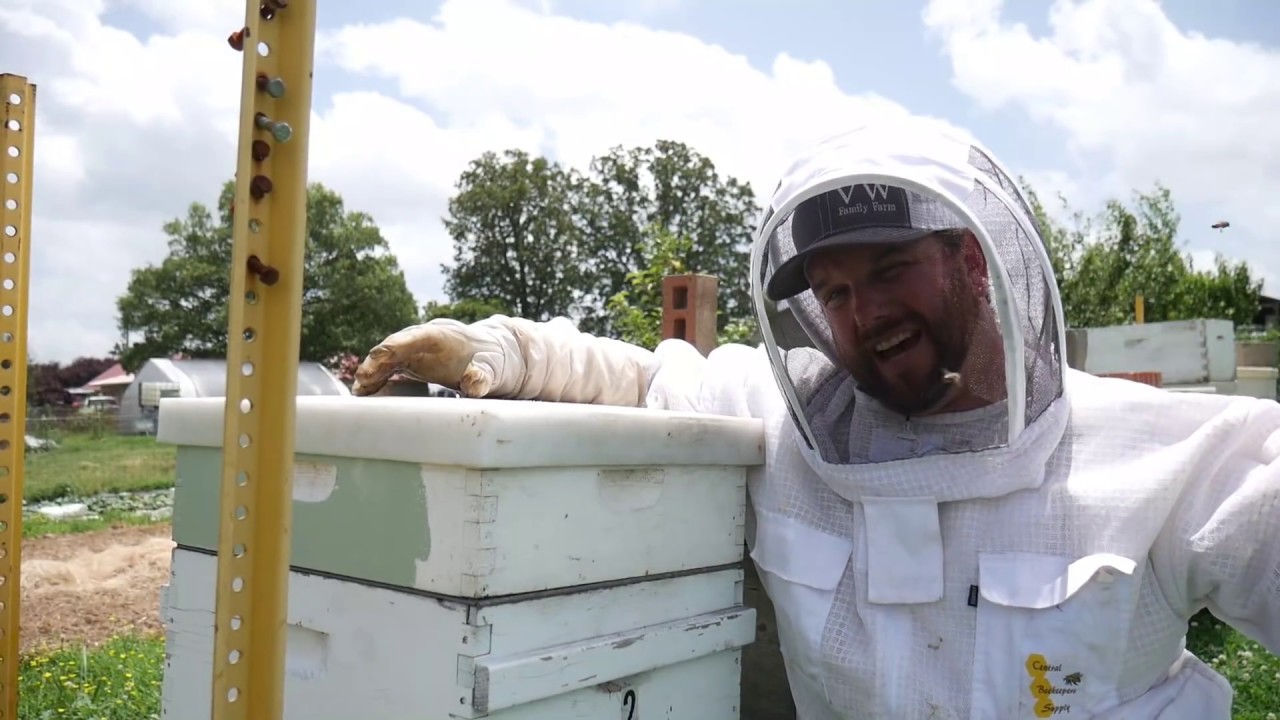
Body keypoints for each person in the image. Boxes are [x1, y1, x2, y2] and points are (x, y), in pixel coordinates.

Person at [350, 119, 1280, 719]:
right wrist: (496, 348)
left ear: (971, 257)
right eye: (834, 293)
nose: (863, 315)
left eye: (888, 272)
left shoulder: (1175, 455)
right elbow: (640, 379)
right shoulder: (784, 423)